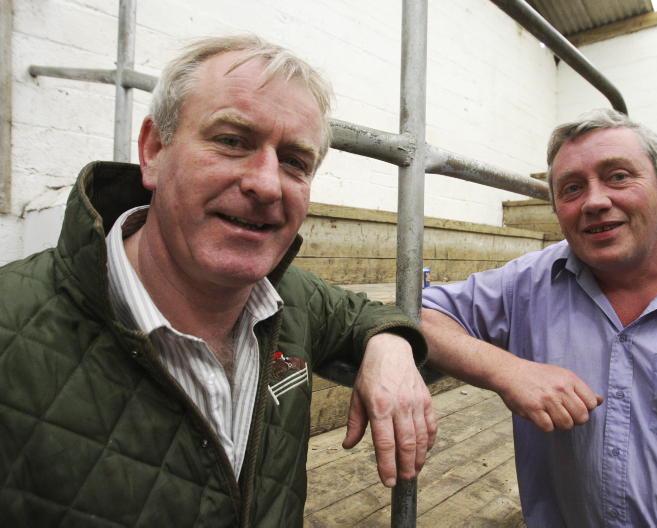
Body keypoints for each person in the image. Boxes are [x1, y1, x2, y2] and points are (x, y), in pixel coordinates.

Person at [0, 35, 436, 527]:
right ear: (154, 150)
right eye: (231, 141)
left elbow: (362, 315)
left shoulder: (289, 296)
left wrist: (391, 344)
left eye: (294, 161)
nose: (266, 183)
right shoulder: (12, 328)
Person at [421, 108, 657, 527]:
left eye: (618, 176)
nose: (595, 201)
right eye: (572, 188)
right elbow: (421, 313)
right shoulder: (524, 285)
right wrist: (506, 370)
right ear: (557, 209)